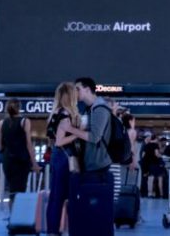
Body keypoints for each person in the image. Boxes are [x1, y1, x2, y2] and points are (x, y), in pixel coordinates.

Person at [64, 77, 115, 233]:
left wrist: (71, 130)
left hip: (97, 169)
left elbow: (95, 137)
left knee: (96, 215)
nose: (75, 92)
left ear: (87, 89)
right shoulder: (89, 109)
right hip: (90, 167)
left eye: (77, 88)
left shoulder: (100, 109)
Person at [45, 82, 81, 236]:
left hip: (56, 156)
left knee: (55, 196)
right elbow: (60, 141)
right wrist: (78, 133)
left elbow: (53, 141)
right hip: (65, 157)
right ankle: (62, 230)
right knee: (67, 197)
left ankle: (52, 230)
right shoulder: (66, 115)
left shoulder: (54, 114)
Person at [0, 98, 40, 212]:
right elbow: (29, 144)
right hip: (21, 160)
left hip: (8, 161)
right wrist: (34, 163)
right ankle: (18, 219)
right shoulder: (25, 121)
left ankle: (13, 219)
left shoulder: (1, 123)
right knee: (20, 190)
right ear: (19, 108)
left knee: (12, 190)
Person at [141, 134, 164, 198]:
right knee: (160, 178)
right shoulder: (155, 145)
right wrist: (161, 156)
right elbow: (156, 154)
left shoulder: (147, 145)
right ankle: (161, 194)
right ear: (156, 139)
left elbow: (143, 155)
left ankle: (149, 193)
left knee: (150, 179)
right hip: (156, 163)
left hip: (149, 164)